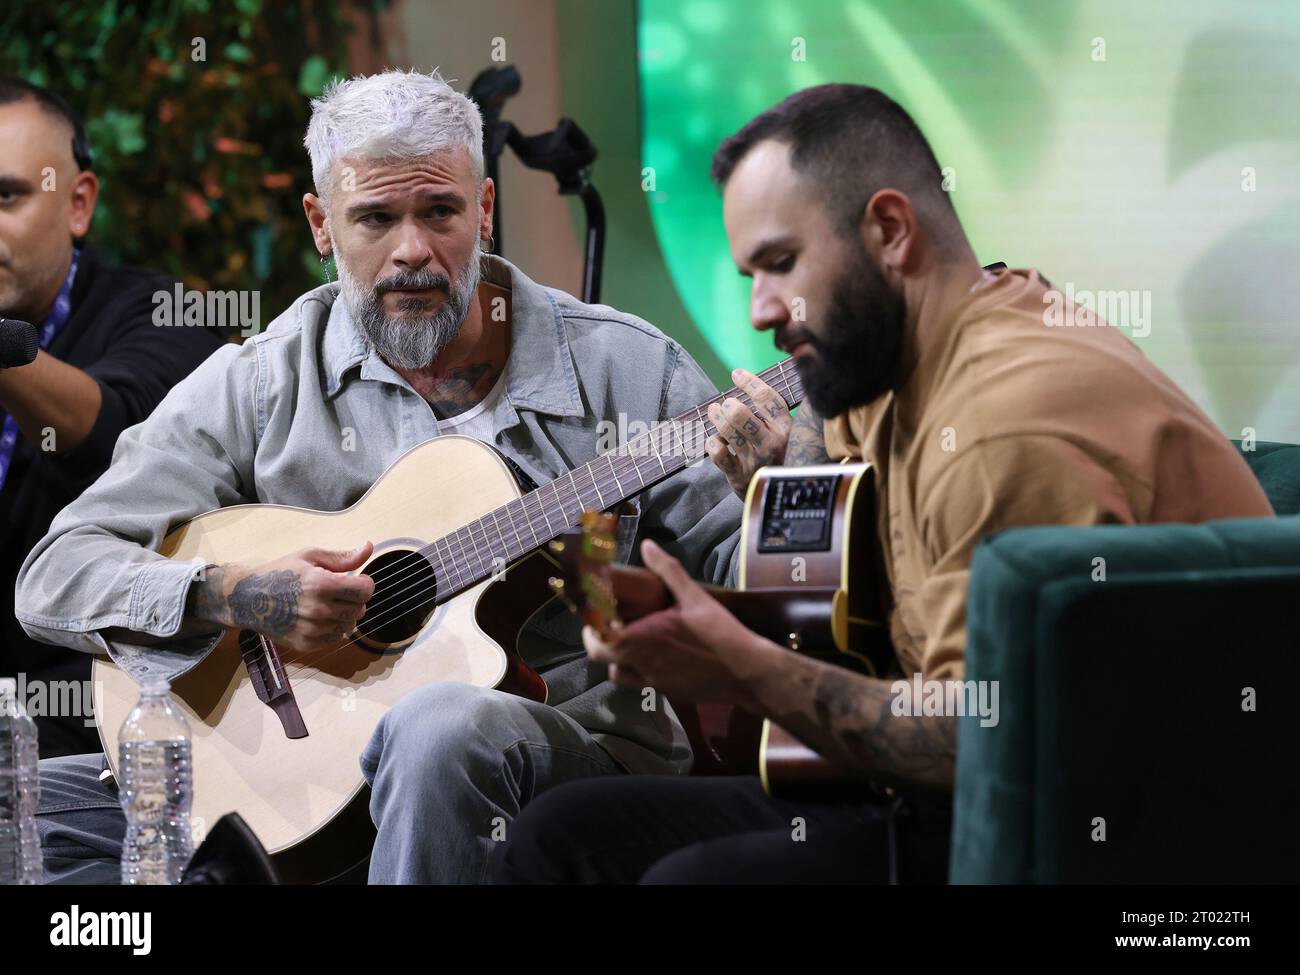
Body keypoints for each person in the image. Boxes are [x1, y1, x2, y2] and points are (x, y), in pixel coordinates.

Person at [492, 83, 1275, 884]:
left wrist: (737, 666)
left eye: (781, 264)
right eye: (750, 275)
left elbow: (979, 734)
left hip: (1104, 828)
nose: (761, 310)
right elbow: (876, 600)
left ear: (891, 231)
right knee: (561, 835)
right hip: (949, 790)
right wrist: (692, 608)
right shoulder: (892, 368)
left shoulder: (1002, 423)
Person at [16, 69, 744, 884]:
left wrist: (768, 485)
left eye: (441, 212)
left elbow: (764, 591)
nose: (412, 250)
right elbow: (54, 573)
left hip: (564, 755)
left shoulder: (628, 371)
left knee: (439, 726)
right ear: (321, 225)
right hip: (299, 772)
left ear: (487, 211)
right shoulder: (263, 379)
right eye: (375, 218)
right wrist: (231, 594)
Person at [0, 78, 224, 757]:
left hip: (103, 712)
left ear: (78, 204)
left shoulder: (163, 312)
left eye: (6, 197)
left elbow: (112, 429)